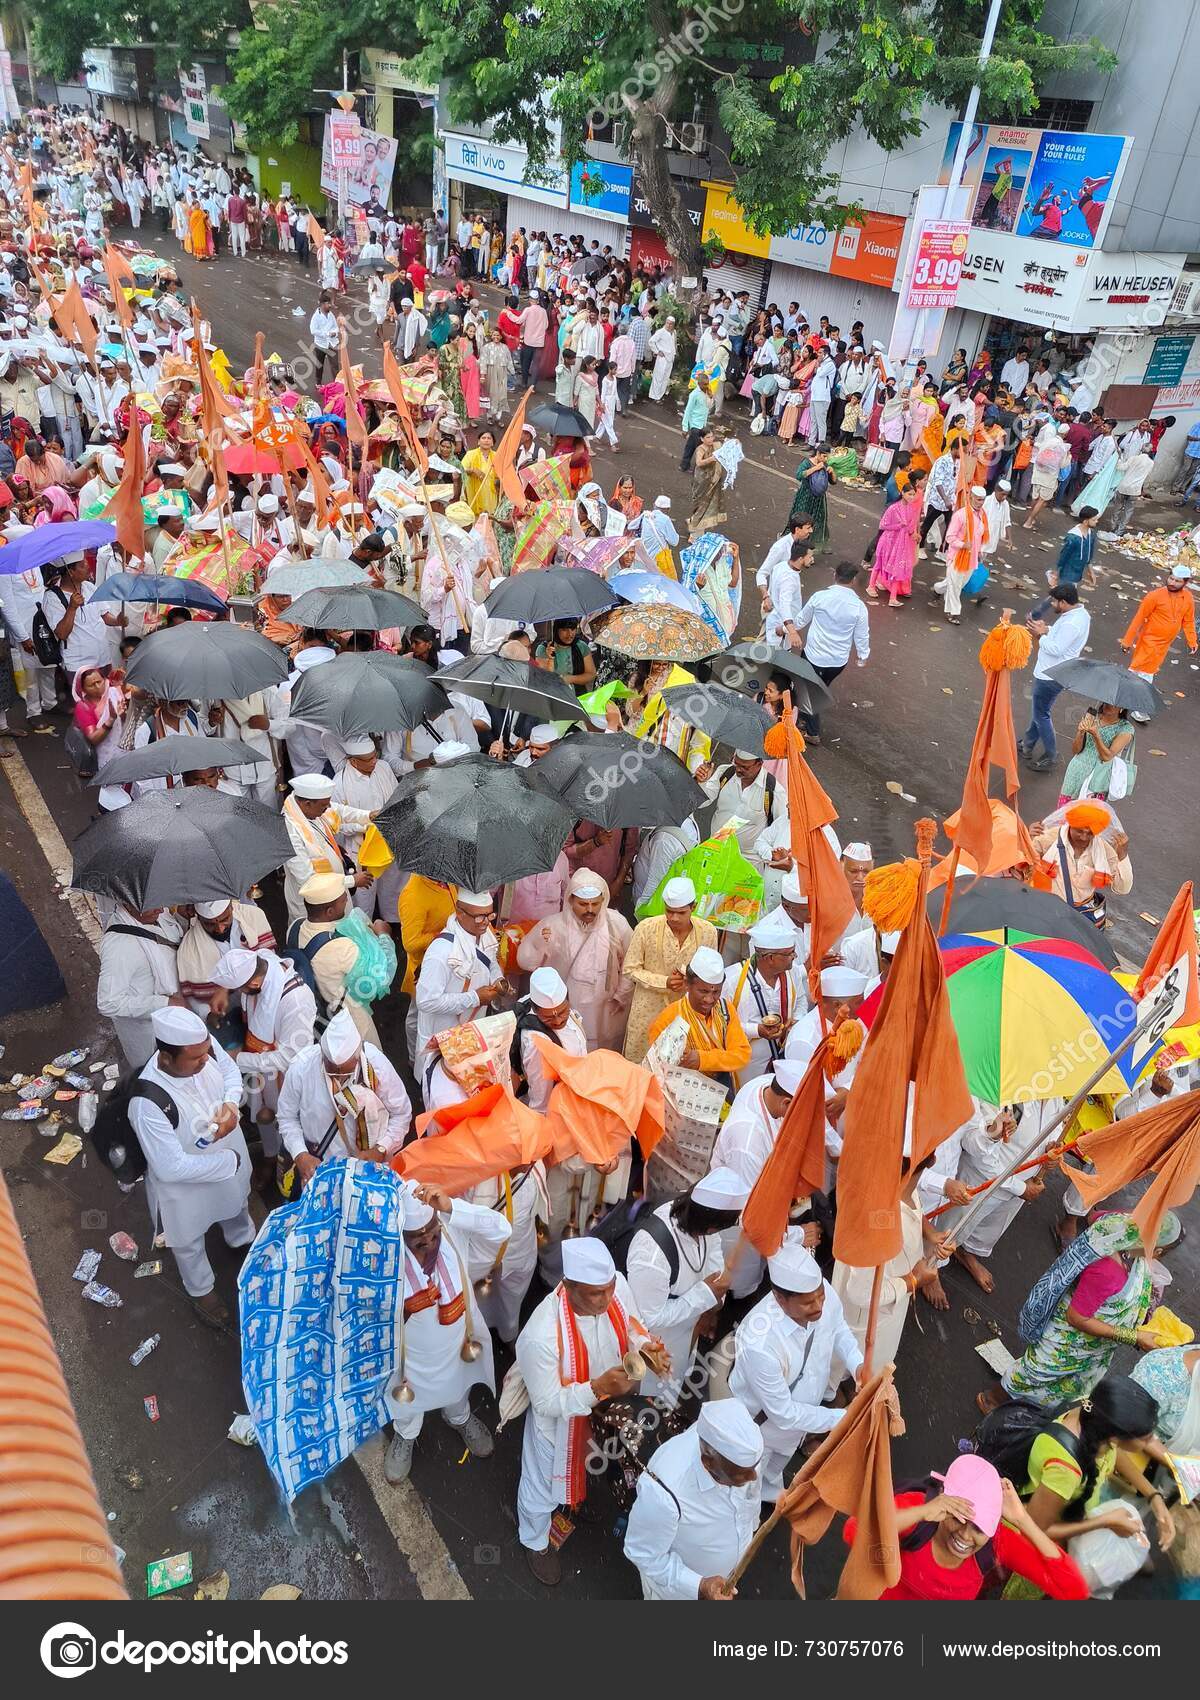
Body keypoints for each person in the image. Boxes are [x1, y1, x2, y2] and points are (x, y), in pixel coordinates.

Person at [515, 1236, 662, 1585]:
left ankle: (574, 1499)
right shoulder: (541, 1335)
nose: (607, 1299)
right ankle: (534, 1540)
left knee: (591, 1464)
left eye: (610, 1288)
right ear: (567, 1286)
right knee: (540, 1487)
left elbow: (631, 1323)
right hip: (558, 1428)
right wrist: (597, 1388)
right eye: (596, 1294)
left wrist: (647, 1348)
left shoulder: (615, 1288)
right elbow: (547, 1403)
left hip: (602, 1415)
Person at [127, 1006, 254, 1327]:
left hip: (226, 1156)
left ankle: (242, 1240)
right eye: (196, 1059)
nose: (205, 1060)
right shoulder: (146, 1103)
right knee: (188, 1239)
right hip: (187, 1183)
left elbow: (228, 1072)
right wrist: (227, 1162)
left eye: (205, 1054)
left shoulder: (200, 1046)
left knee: (236, 1202)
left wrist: (229, 1102)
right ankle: (202, 1292)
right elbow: (171, 1167)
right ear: (167, 1059)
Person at [382, 1180, 512, 1485]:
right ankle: (406, 1436)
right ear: (400, 1236)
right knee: (406, 1404)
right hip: (409, 1359)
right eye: (418, 1240)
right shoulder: (387, 1259)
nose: (429, 1242)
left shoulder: (454, 1234)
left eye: (432, 1232)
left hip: (456, 1346)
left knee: (457, 1390)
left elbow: (502, 1229)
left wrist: (452, 1207)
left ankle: (460, 1419)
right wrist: (401, 1309)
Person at [1002, 1373, 1170, 1599]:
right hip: (1033, 1544)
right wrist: (1105, 1522)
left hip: (1061, 1521)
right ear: (1115, 1437)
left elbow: (1114, 1453)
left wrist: (1153, 1496)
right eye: (1147, 1438)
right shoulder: (1065, 1469)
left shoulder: (1092, 1412)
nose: (1152, 1443)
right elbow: (1033, 1529)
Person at [980, 1216, 1163, 1414]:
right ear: (1155, 1247)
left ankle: (1026, 1408)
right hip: (1070, 1336)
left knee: (1058, 1382)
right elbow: (1076, 1318)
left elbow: (1096, 1216)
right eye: (1159, 1252)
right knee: (1034, 1372)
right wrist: (1132, 1336)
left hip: (1088, 1338)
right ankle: (991, 1400)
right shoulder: (1109, 1272)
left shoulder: (1121, 1227)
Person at [843, 1456, 1088, 1601]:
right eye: (957, 1517)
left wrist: (1023, 1519)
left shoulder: (998, 1542)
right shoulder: (920, 1511)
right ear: (942, 1500)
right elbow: (853, 1531)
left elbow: (1073, 1590)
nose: (965, 1536)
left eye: (979, 1529)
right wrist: (920, 1513)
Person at [729, 1243, 863, 1502]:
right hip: (762, 1427)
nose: (818, 1307)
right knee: (748, 1482)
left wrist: (857, 1364)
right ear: (780, 1300)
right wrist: (842, 1419)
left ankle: (772, 1493)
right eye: (807, 1303)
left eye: (820, 1296)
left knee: (777, 1466)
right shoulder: (760, 1344)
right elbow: (784, 1415)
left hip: (801, 1419)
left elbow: (839, 1330)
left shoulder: (823, 1294)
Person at [625, 1169, 749, 1410]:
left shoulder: (699, 1222)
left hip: (684, 1338)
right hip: (653, 1349)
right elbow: (648, 1318)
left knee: (670, 1395)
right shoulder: (652, 1253)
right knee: (647, 1406)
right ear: (710, 1223)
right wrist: (705, 1295)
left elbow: (712, 1252)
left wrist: (715, 1293)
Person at [623, 1399, 763, 1600]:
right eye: (741, 1476)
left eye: (754, 1467)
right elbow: (642, 1553)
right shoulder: (663, 1493)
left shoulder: (740, 1460)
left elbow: (750, 1503)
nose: (753, 1477)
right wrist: (700, 1586)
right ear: (708, 1463)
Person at [205, 949, 318, 1162]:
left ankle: (289, 1163)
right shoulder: (262, 961)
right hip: (260, 1065)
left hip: (284, 1074)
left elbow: (290, 1058)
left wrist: (239, 1059)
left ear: (254, 985)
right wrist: (225, 993)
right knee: (262, 1115)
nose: (238, 994)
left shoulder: (296, 1000)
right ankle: (269, 1155)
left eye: (239, 990)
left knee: (288, 1122)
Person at [277, 1007, 411, 1182]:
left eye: (344, 1072)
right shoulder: (301, 1068)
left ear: (357, 1057)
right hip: (320, 1170)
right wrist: (300, 1155)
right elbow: (286, 1118)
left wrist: (381, 1148)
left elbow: (401, 1114)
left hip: (368, 1171)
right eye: (331, 1069)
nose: (338, 1076)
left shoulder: (376, 1065)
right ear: (322, 1054)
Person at [516, 869, 632, 1050]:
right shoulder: (552, 925)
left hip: (607, 1005)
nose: (590, 910)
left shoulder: (617, 924)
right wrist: (541, 942)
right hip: (568, 1004)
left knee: (605, 1052)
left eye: (595, 904)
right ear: (570, 900)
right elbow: (525, 961)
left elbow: (632, 962)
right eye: (583, 904)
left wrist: (621, 995)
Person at [622, 876, 718, 1063]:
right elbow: (630, 969)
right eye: (669, 911)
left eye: (681, 913)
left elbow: (709, 973)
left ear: (694, 907)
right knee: (639, 1065)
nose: (673, 918)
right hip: (647, 1010)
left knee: (678, 1066)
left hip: (686, 1012)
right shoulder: (646, 928)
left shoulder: (708, 932)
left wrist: (688, 980)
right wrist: (664, 981)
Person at [413, 888, 504, 1074]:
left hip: (471, 1029)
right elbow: (426, 1001)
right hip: (441, 1035)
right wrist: (475, 998)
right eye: (479, 917)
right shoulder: (440, 953)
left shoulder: (485, 935)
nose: (486, 923)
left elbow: (491, 960)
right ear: (460, 913)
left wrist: (498, 978)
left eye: (489, 915)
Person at [97, 905, 184, 1068]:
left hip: (176, 1018)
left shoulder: (156, 912)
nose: (159, 909)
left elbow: (170, 940)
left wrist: (182, 918)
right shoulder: (118, 946)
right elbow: (108, 1003)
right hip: (152, 1036)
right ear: (128, 903)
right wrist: (165, 1003)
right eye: (153, 907)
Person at [794, 562, 870, 741]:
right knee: (818, 688)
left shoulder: (820, 597)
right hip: (837, 661)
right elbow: (862, 635)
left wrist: (787, 628)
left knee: (810, 692)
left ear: (834, 575)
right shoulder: (859, 607)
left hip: (814, 655)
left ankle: (812, 732)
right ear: (853, 580)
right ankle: (805, 716)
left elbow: (801, 619)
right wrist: (862, 656)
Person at [1020, 584, 1091, 771]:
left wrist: (1040, 635)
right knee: (1039, 711)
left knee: (1041, 714)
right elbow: (1062, 636)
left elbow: (1056, 649)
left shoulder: (1071, 623)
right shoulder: (1081, 614)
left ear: (1064, 602)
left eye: (1055, 601)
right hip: (1057, 672)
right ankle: (1027, 744)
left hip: (1050, 674)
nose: (1052, 604)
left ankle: (1051, 755)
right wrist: (1046, 628)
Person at [1029, 803, 1131, 926]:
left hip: (1075, 918)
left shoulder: (1103, 850)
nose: (1084, 837)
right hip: (1043, 909)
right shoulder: (1049, 838)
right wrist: (1028, 838)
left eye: (1090, 833)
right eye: (1079, 831)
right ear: (1070, 825)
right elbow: (1020, 864)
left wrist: (1123, 856)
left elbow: (1123, 888)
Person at [1120, 566, 1198, 701]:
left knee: (1140, 671)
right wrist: (1127, 642)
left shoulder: (1188, 598)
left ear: (1186, 582)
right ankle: (1137, 705)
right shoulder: (1154, 596)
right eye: (1171, 578)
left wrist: (1192, 640)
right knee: (1143, 672)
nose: (1172, 583)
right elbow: (1138, 619)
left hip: (1164, 645)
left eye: (1177, 581)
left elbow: (1188, 620)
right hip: (1148, 642)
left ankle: (1123, 699)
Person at [1058, 702, 1136, 804]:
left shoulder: (1126, 729)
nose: (1108, 704)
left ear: (1122, 708)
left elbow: (1107, 757)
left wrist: (1096, 735)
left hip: (1097, 778)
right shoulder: (1092, 717)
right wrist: (1080, 733)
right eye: (1107, 701)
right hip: (1075, 772)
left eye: (1113, 704)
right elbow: (1075, 750)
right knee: (1064, 814)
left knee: (1086, 816)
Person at [935, 485, 990, 623]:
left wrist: (979, 551)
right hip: (957, 557)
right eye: (978, 500)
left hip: (971, 559)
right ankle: (952, 613)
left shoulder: (983, 515)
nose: (980, 503)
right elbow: (950, 537)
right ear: (970, 497)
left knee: (957, 584)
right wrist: (963, 544)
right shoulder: (960, 515)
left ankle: (938, 589)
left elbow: (980, 537)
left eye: (982, 500)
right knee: (955, 586)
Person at [866, 480, 921, 607]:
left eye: (914, 495)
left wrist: (914, 535)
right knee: (879, 564)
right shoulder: (893, 508)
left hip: (902, 544)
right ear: (902, 493)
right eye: (910, 494)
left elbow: (910, 528)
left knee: (898, 569)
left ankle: (893, 597)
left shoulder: (912, 510)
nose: (912, 497)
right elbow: (883, 525)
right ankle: (871, 586)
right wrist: (898, 526)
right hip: (888, 541)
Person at [787, 444, 835, 551]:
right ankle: (796, 543)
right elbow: (799, 475)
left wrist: (832, 473)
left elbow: (833, 482)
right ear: (818, 454)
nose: (826, 459)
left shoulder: (825, 464)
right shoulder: (806, 463)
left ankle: (816, 544)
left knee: (819, 520)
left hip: (819, 499)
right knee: (801, 519)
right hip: (806, 496)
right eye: (824, 456)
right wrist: (815, 468)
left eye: (827, 457)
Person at [647, 316, 677, 403]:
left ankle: (660, 395)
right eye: (667, 323)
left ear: (673, 325)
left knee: (665, 378)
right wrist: (657, 351)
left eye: (671, 324)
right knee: (658, 377)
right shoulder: (661, 332)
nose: (668, 325)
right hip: (662, 358)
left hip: (670, 358)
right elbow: (651, 341)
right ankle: (654, 396)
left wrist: (674, 355)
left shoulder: (674, 332)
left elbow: (674, 345)